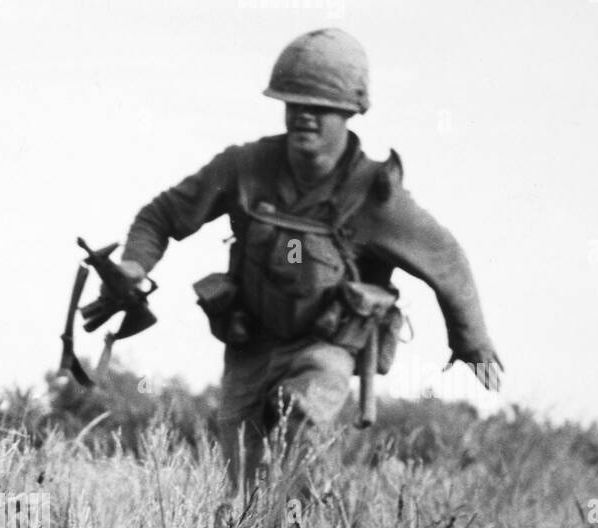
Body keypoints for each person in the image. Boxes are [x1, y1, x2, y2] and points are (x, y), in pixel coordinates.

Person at [89, 28, 503, 496]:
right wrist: (134, 267)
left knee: (300, 419)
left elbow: (446, 261)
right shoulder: (243, 168)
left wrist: (472, 341)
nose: (305, 114)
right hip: (251, 342)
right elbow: (160, 216)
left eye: (321, 106)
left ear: (351, 111)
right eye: (294, 102)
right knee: (239, 484)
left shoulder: (374, 195)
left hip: (323, 347)